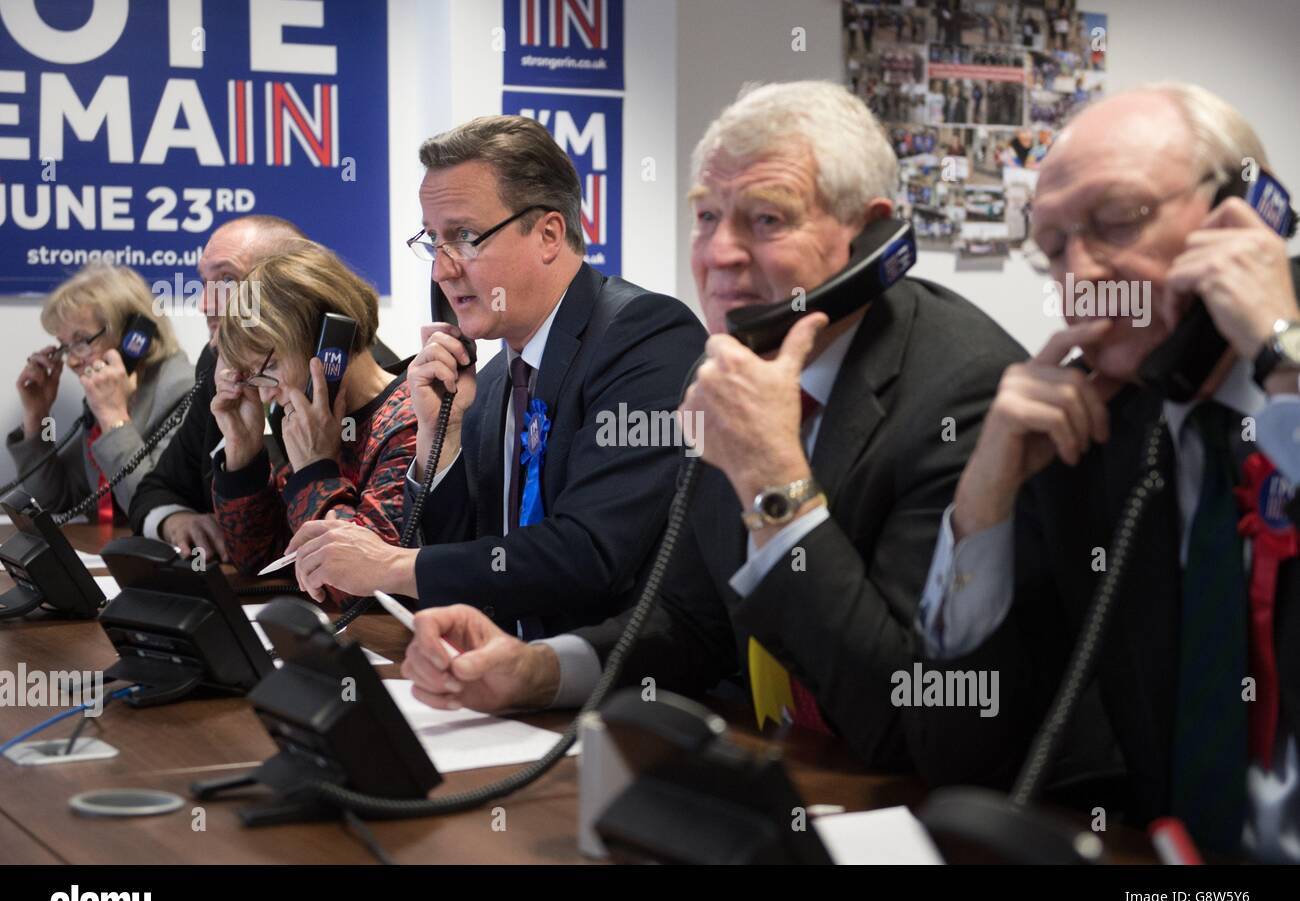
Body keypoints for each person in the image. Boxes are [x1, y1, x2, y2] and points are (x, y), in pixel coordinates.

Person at [394, 81, 1024, 770]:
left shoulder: (959, 390)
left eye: (767, 220)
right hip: (782, 773)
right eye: (706, 216)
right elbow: (692, 624)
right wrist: (537, 669)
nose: (718, 254)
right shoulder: (734, 371)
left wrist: (774, 482)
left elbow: (916, 717)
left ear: (866, 233)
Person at [914, 83, 1300, 861]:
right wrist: (983, 502)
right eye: (1054, 247)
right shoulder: (1093, 436)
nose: (1082, 273)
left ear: (1248, 211)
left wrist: (1283, 358)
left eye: (1117, 220)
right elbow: (961, 746)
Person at [283, 115, 707, 638]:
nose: (441, 269)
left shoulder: (644, 336)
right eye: (433, 241)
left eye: (464, 237)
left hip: (623, 688)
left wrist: (390, 565)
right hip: (504, 683)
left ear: (549, 233)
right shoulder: (493, 380)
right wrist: (442, 439)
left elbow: (591, 553)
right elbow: (471, 561)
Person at [210, 240, 416, 598]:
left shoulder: (411, 419)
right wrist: (243, 454)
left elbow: (357, 588)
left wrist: (314, 470)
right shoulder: (315, 417)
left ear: (328, 343)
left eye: (269, 368)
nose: (265, 394)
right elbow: (259, 557)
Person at [129, 214, 307, 560]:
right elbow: (157, 488)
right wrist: (174, 520)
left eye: (227, 280)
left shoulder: (340, 370)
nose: (204, 304)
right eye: (204, 282)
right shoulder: (217, 365)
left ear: (293, 286)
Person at [9, 263, 193, 520]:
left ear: (133, 335)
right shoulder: (109, 394)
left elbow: (152, 508)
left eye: (82, 341)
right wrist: (36, 415)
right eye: (65, 346)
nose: (71, 361)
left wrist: (113, 418)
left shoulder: (181, 391)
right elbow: (55, 498)